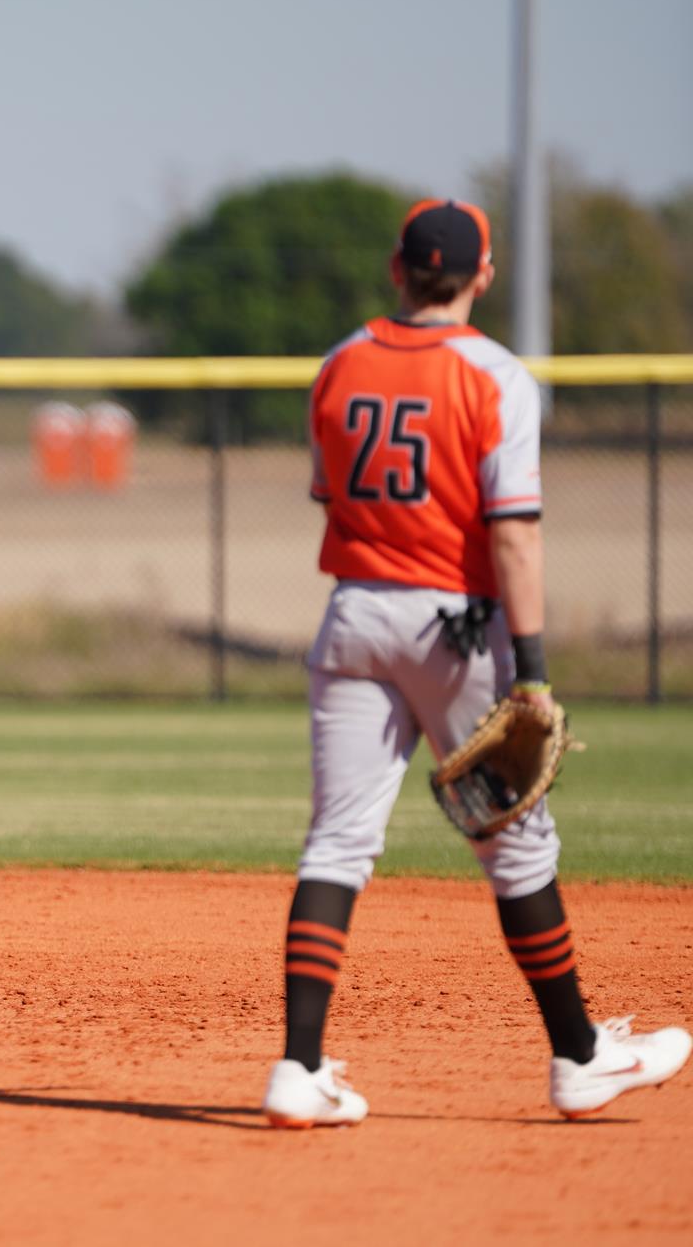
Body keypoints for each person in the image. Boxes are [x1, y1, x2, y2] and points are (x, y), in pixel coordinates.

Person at [262, 198, 690, 1126]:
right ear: (482, 276)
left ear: (397, 269)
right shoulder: (495, 374)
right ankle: (579, 1057)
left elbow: (329, 495)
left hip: (353, 616)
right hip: (457, 630)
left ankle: (297, 1070)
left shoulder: (338, 364)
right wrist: (530, 669)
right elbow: (515, 537)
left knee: (337, 842)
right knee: (517, 847)